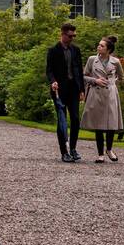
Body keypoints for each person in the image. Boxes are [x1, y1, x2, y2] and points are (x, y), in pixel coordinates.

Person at [45, 22, 84, 163]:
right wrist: (52, 81)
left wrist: (81, 90)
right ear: (62, 34)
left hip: (73, 89)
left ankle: (73, 149)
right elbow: (49, 70)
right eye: (70, 36)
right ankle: (64, 152)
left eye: (74, 35)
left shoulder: (76, 50)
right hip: (59, 90)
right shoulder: (53, 50)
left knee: (75, 119)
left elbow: (79, 71)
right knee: (62, 120)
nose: (72, 38)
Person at [83, 35, 124, 162]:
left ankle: (109, 149)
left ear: (108, 50)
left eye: (101, 45)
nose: (98, 47)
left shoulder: (116, 62)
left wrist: (112, 82)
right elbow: (84, 76)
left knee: (111, 124)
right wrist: (95, 80)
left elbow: (122, 77)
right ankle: (100, 154)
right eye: (99, 44)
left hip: (111, 94)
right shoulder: (92, 60)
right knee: (99, 125)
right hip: (96, 94)